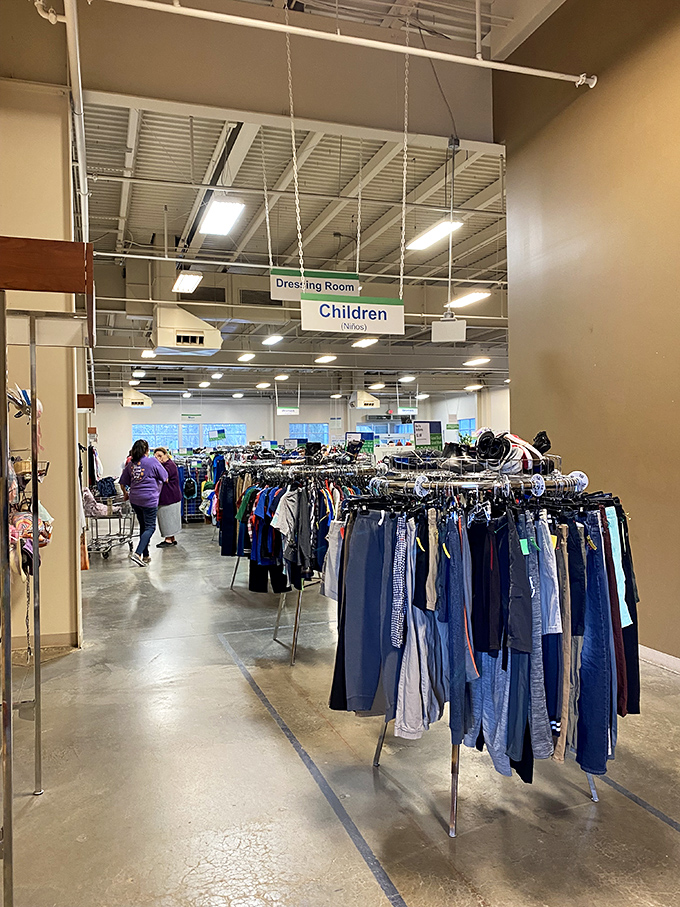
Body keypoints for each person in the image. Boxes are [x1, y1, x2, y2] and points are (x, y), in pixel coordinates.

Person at [119, 439, 168, 567]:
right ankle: (138, 553)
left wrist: (125, 493)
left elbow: (122, 482)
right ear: (147, 450)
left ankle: (145, 555)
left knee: (143, 526)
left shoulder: (131, 464)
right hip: (149, 500)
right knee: (150, 527)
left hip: (135, 500)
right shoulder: (152, 462)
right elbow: (165, 476)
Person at [153, 447, 182, 548]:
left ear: (166, 455)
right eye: (156, 457)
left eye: (160, 456)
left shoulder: (168, 466)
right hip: (170, 497)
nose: (158, 459)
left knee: (167, 518)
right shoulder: (167, 465)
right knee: (169, 518)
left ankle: (168, 539)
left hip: (169, 497)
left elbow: (163, 477)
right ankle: (171, 538)